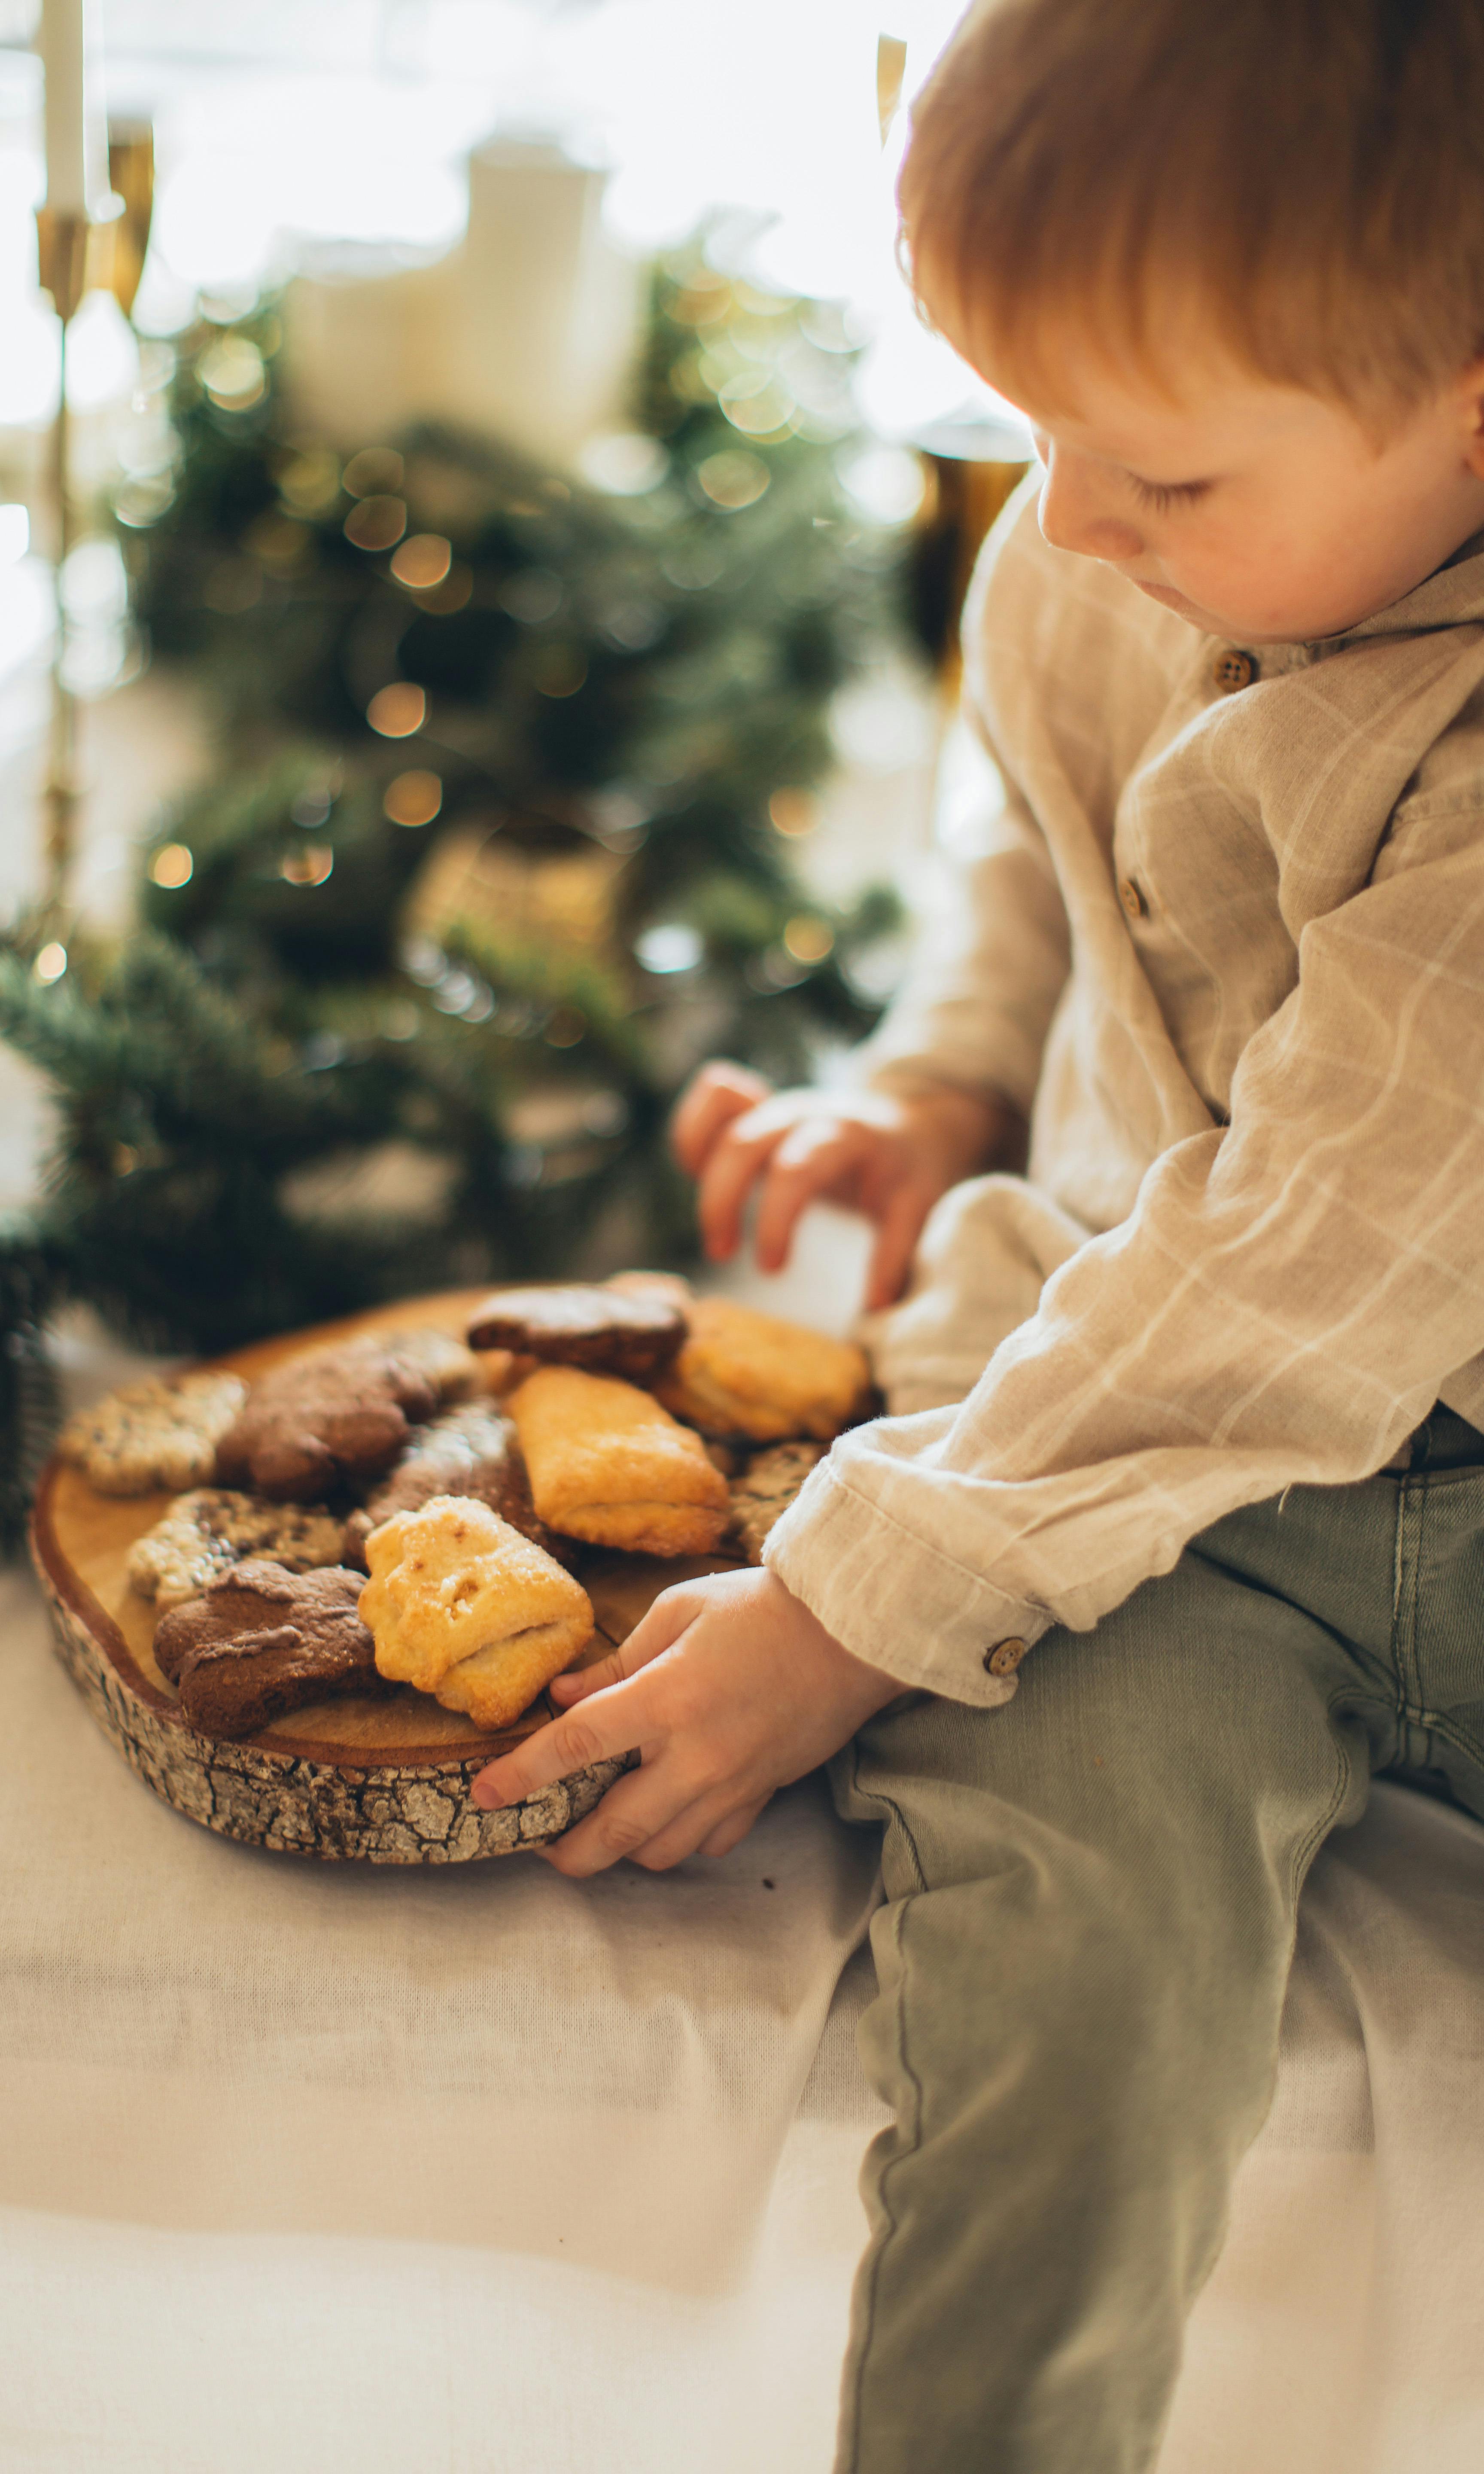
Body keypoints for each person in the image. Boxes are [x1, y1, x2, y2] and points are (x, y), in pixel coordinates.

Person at [474, 0, 1484, 2462]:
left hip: (1287, 1362)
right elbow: (1037, 819)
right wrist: (940, 1074)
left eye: (1153, 465)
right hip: (1154, 1496)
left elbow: (1300, 1261)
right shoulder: (1110, 538)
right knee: (1070, 1949)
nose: (1070, 517)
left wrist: (844, 1605)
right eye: (1028, 422)